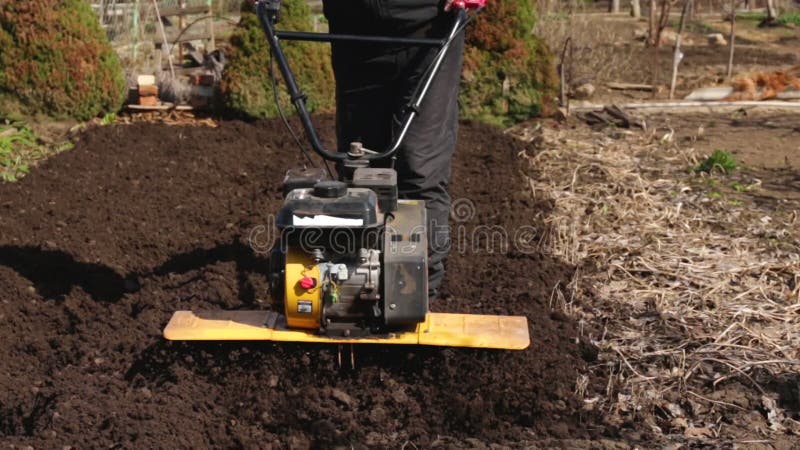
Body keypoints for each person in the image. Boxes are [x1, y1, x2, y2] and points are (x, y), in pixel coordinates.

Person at [321, 0, 466, 301]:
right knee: (359, 165)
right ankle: (357, 287)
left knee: (419, 163)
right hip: (354, 33)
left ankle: (420, 293)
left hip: (431, 27)